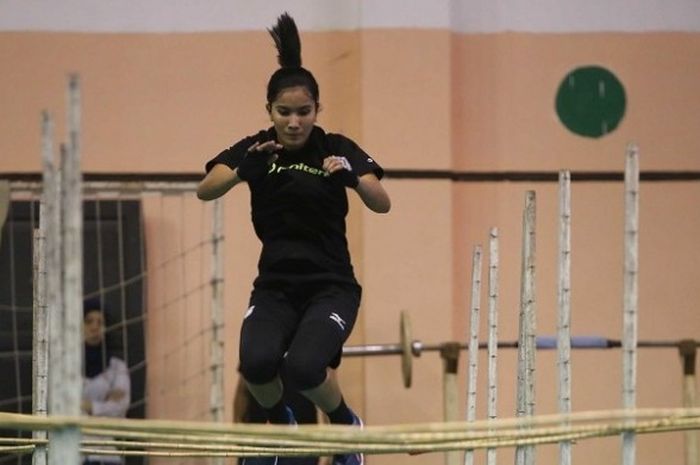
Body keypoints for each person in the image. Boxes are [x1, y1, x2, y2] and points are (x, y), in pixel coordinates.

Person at [197, 12, 390, 465]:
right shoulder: (258, 149)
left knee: (304, 368)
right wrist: (243, 171)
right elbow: (205, 189)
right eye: (284, 112)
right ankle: (281, 422)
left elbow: (382, 202)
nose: (294, 121)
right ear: (269, 111)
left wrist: (352, 179)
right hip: (276, 287)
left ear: (316, 111)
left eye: (304, 112)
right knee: (257, 362)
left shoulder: (336, 147)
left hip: (331, 286)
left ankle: (346, 427)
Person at [81, 298, 131, 465]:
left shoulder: (117, 367)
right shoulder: (65, 368)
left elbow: (120, 407)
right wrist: (105, 405)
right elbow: (59, 407)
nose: (94, 327)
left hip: (106, 455)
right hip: (72, 454)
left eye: (100, 322)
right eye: (88, 321)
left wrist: (90, 406)